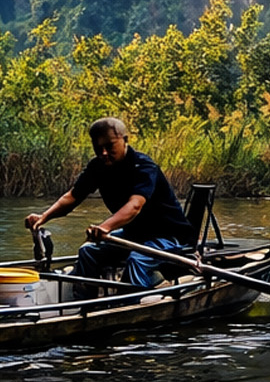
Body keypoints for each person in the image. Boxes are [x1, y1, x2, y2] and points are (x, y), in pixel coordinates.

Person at [25, 117, 195, 291]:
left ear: (125, 140)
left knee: (137, 260)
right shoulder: (97, 167)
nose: (104, 153)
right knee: (88, 251)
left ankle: (131, 303)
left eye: (110, 146)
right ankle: (85, 301)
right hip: (135, 234)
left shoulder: (143, 166)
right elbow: (73, 197)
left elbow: (135, 206)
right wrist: (43, 217)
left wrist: (105, 227)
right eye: (98, 148)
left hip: (169, 237)